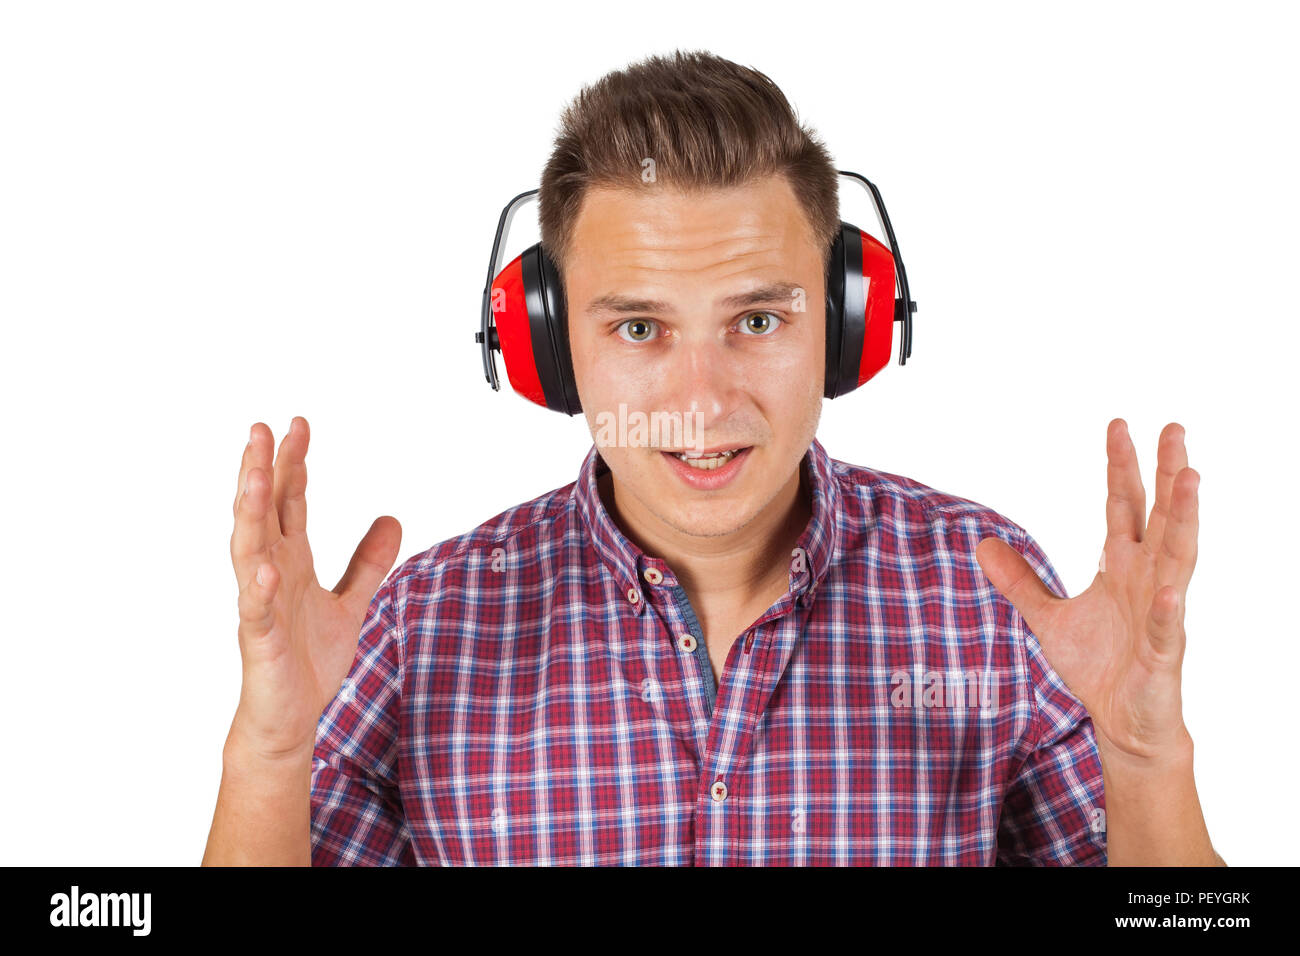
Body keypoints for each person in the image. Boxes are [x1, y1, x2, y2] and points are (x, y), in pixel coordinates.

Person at [203, 50, 1223, 866]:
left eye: (757, 318)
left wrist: (1144, 757)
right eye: (639, 328)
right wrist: (268, 750)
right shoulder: (424, 625)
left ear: (847, 323)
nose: (702, 399)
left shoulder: (985, 595)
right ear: (549, 348)